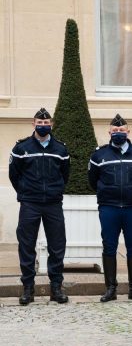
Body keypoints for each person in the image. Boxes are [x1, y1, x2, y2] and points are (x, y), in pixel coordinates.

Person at [88, 114, 132, 303]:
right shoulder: (99, 154)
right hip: (109, 208)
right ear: (109, 132)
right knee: (109, 247)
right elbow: (93, 181)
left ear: (128, 132)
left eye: (122, 130)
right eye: (115, 130)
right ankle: (110, 289)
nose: (118, 133)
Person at [9, 108, 70, 305]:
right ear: (33, 123)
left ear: (51, 124)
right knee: (26, 246)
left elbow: (65, 175)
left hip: (53, 204)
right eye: (39, 123)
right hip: (30, 204)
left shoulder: (60, 149)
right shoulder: (21, 148)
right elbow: (14, 175)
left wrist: (55, 190)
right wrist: (26, 192)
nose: (43, 126)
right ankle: (28, 288)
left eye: (46, 123)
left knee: (57, 246)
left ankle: (56, 288)